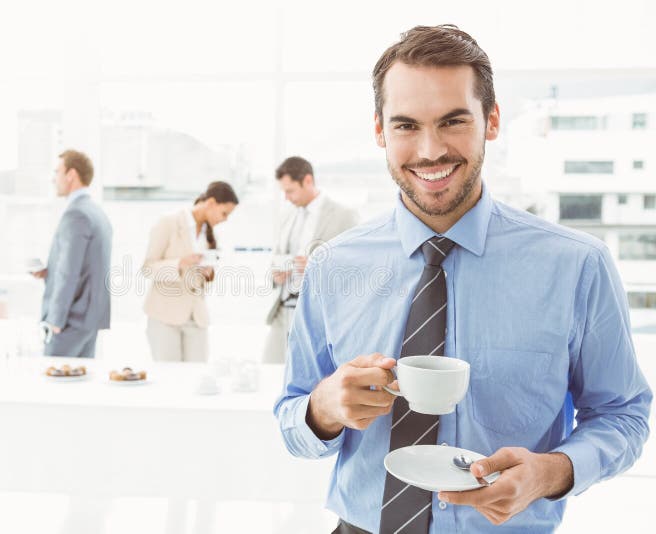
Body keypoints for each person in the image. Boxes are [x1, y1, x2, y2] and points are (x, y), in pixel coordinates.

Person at [274, 25, 651, 534]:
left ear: (490, 121)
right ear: (380, 131)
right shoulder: (332, 266)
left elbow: (623, 415)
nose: (430, 151)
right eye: (406, 126)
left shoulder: (577, 265)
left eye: (452, 121)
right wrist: (322, 408)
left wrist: (552, 473)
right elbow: (293, 416)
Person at [264, 156, 358, 363]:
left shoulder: (344, 215)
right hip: (283, 308)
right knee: (271, 368)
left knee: (311, 376)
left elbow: (356, 265)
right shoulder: (288, 215)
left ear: (307, 181)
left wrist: (317, 267)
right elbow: (276, 255)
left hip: (318, 315)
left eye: (290, 191)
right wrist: (277, 272)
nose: (287, 198)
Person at [142, 181, 238, 362]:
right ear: (210, 203)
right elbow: (148, 268)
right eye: (224, 213)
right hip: (165, 317)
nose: (225, 219)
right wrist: (180, 263)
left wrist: (208, 273)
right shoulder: (168, 222)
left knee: (196, 379)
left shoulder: (210, 234)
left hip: (196, 318)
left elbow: (202, 278)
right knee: (170, 379)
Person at [32, 149, 112, 358]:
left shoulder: (76, 213)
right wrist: (49, 272)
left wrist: (56, 320)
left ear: (71, 174)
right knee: (80, 386)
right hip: (90, 319)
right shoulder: (96, 212)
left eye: (57, 171)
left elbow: (69, 272)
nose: (53, 178)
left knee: (53, 384)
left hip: (70, 320)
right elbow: (86, 265)